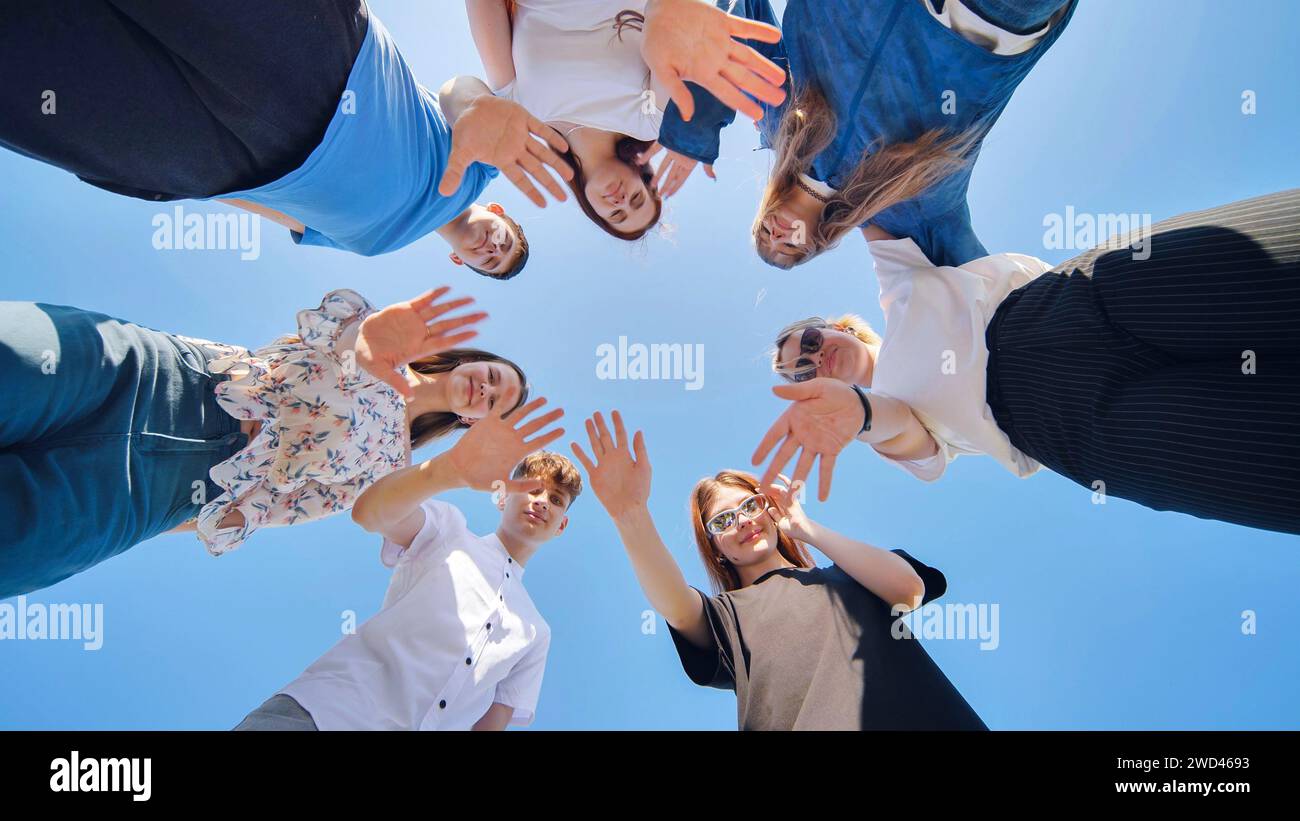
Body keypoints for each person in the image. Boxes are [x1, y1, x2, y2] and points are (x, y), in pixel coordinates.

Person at [755, 189, 1300, 536]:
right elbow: (911, 439)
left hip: (1080, 301)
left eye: (807, 339)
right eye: (801, 373)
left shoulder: (900, 288)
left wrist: (793, 206)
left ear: (835, 327)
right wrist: (862, 415)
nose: (812, 357)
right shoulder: (882, 418)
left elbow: (862, 194)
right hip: (1081, 429)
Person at [0, 286, 530, 599]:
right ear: (469, 361)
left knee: (20, 546)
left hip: (159, 492)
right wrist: (362, 340)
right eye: (492, 376)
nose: (486, 388)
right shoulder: (391, 346)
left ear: (470, 419)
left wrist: (149, 523)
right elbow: (336, 331)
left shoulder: (396, 470)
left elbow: (287, 508)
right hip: (160, 378)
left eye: (493, 401)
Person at [0, 1, 576, 277]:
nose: (492, 249)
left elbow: (292, 221)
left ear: (458, 261)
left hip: (219, 161)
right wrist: (478, 103)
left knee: (43, 86)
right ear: (499, 212)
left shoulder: (373, 247)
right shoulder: (484, 168)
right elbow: (457, 92)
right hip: (322, 66)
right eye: (505, 242)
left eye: (490, 263)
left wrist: (195, 187)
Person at [569, 410, 987, 730]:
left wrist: (804, 529)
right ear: (716, 550)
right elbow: (677, 607)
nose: (743, 521)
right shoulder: (727, 614)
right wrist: (630, 514)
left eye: (749, 506)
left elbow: (909, 588)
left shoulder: (849, 573)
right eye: (722, 521)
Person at [651, 0, 1076, 268]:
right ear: (815, 246)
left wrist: (695, 127)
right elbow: (978, 286)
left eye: (764, 235)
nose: (778, 237)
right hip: (978, 21)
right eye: (788, 249)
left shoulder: (776, 120)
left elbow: (739, 30)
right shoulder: (902, 214)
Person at [234, 402, 574, 731]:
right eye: (532, 489)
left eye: (556, 499)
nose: (542, 501)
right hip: (324, 714)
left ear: (561, 525)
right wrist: (449, 470)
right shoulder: (449, 530)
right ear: (502, 497)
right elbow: (371, 514)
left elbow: (491, 724)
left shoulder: (536, 633)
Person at [461, 0, 787, 240]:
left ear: (592, 210)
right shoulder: (649, 120)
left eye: (616, 213)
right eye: (636, 198)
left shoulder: (522, 120)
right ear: (643, 177)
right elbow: (677, 37)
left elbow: (484, 9)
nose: (621, 201)